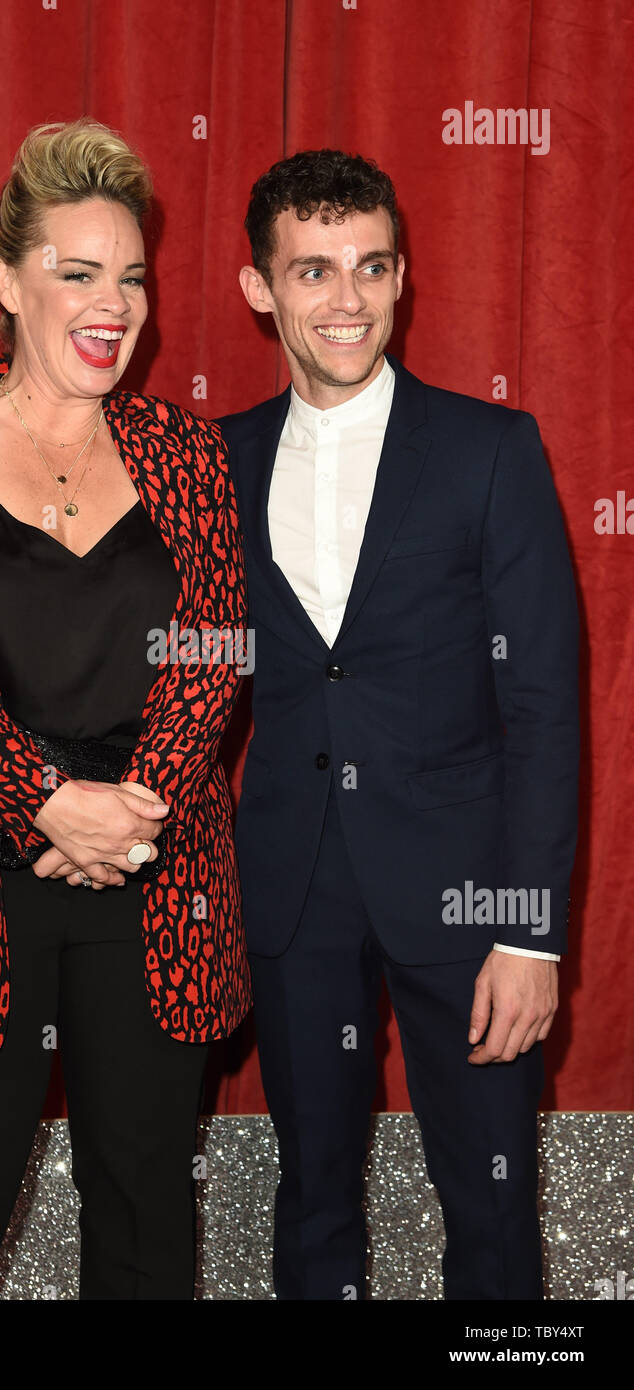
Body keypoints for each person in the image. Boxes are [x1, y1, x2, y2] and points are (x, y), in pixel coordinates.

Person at [0, 118, 250, 1301]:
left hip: (152, 857)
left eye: (128, 275)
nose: (110, 302)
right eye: (77, 272)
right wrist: (44, 807)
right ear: (7, 279)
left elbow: (209, 653)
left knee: (143, 1199)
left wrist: (127, 815)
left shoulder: (184, 453)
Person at [217, 148, 579, 1300]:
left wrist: (529, 935)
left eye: (369, 267)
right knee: (311, 1191)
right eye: (313, 270)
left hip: (469, 901)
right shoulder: (207, 463)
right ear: (258, 289)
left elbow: (541, 706)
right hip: (292, 887)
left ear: (401, 274)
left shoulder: (489, 450)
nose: (346, 298)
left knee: (489, 1199)